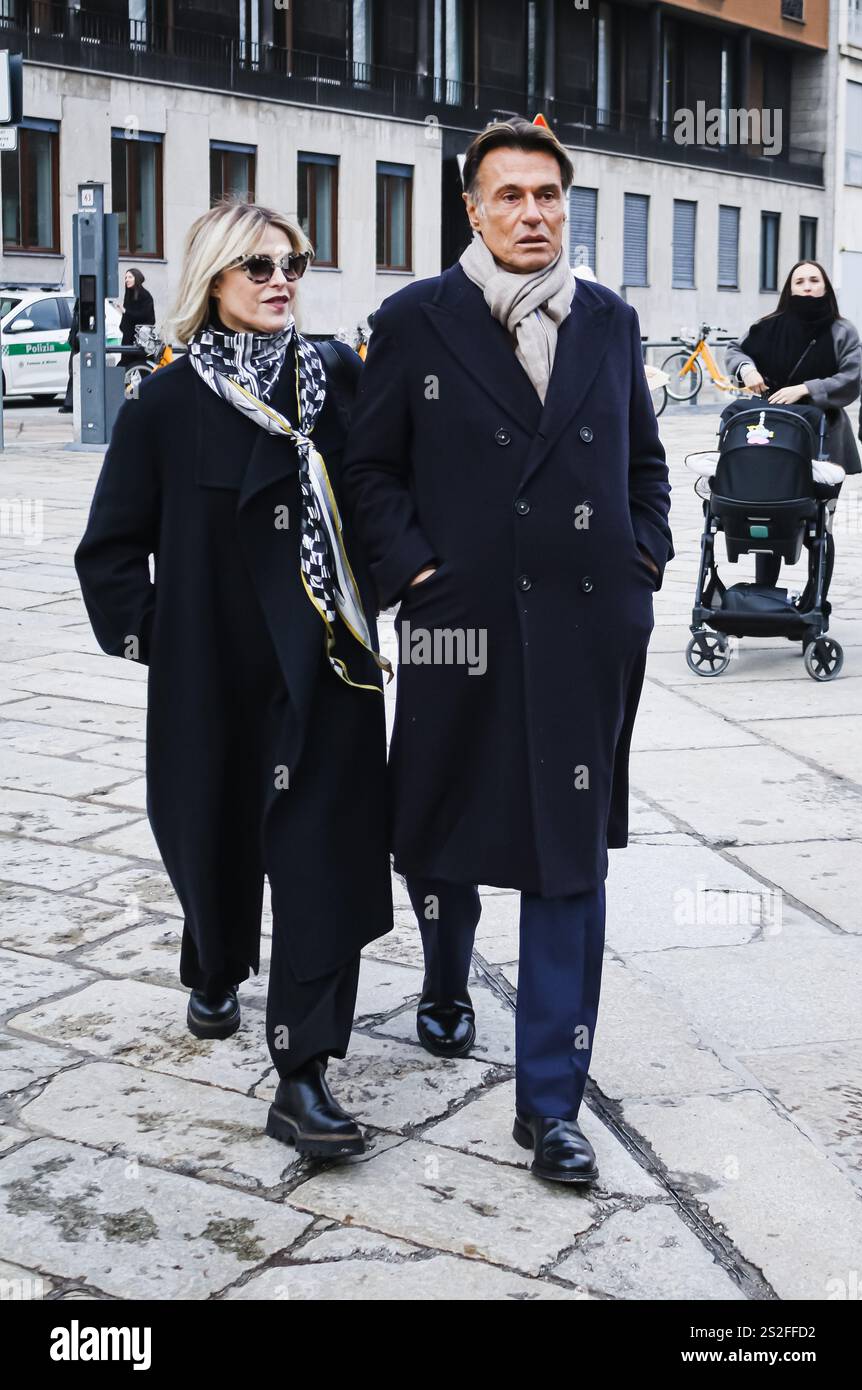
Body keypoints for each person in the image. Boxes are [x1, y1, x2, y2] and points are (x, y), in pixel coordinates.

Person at [343, 118, 673, 1186]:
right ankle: (446, 976)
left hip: (587, 623)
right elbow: (369, 470)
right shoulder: (414, 320)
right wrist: (416, 574)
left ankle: (550, 1105)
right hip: (458, 622)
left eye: (548, 195)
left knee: (568, 851)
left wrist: (643, 559)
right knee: (440, 815)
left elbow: (645, 461)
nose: (533, 214)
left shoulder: (610, 321)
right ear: (472, 209)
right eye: (511, 195)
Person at [75, 201, 392, 1158]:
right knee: (209, 839)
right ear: (213, 278)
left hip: (327, 666)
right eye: (257, 265)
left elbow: (381, 494)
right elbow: (110, 550)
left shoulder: (337, 380)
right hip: (212, 672)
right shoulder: (165, 404)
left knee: (325, 857)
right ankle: (213, 962)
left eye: (293, 263)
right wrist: (159, 639)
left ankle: (304, 1072)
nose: (280, 279)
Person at [726, 261, 862, 592]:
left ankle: (816, 599)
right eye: (799, 281)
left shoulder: (842, 331)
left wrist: (805, 389)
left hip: (825, 437)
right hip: (773, 436)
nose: (807, 286)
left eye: (814, 280)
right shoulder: (768, 326)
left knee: (819, 524)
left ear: (825, 287)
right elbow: (735, 350)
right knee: (768, 513)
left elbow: (851, 377)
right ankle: (764, 595)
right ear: (789, 288)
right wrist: (746, 369)